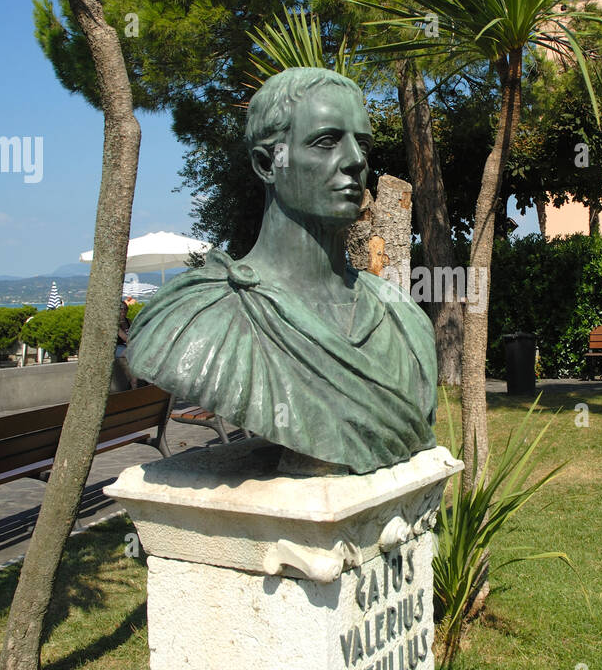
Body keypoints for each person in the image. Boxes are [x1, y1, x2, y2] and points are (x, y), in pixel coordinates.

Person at [127, 68, 437, 474]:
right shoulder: (198, 319)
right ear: (266, 164)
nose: (355, 161)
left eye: (362, 144)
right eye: (326, 142)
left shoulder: (404, 320)